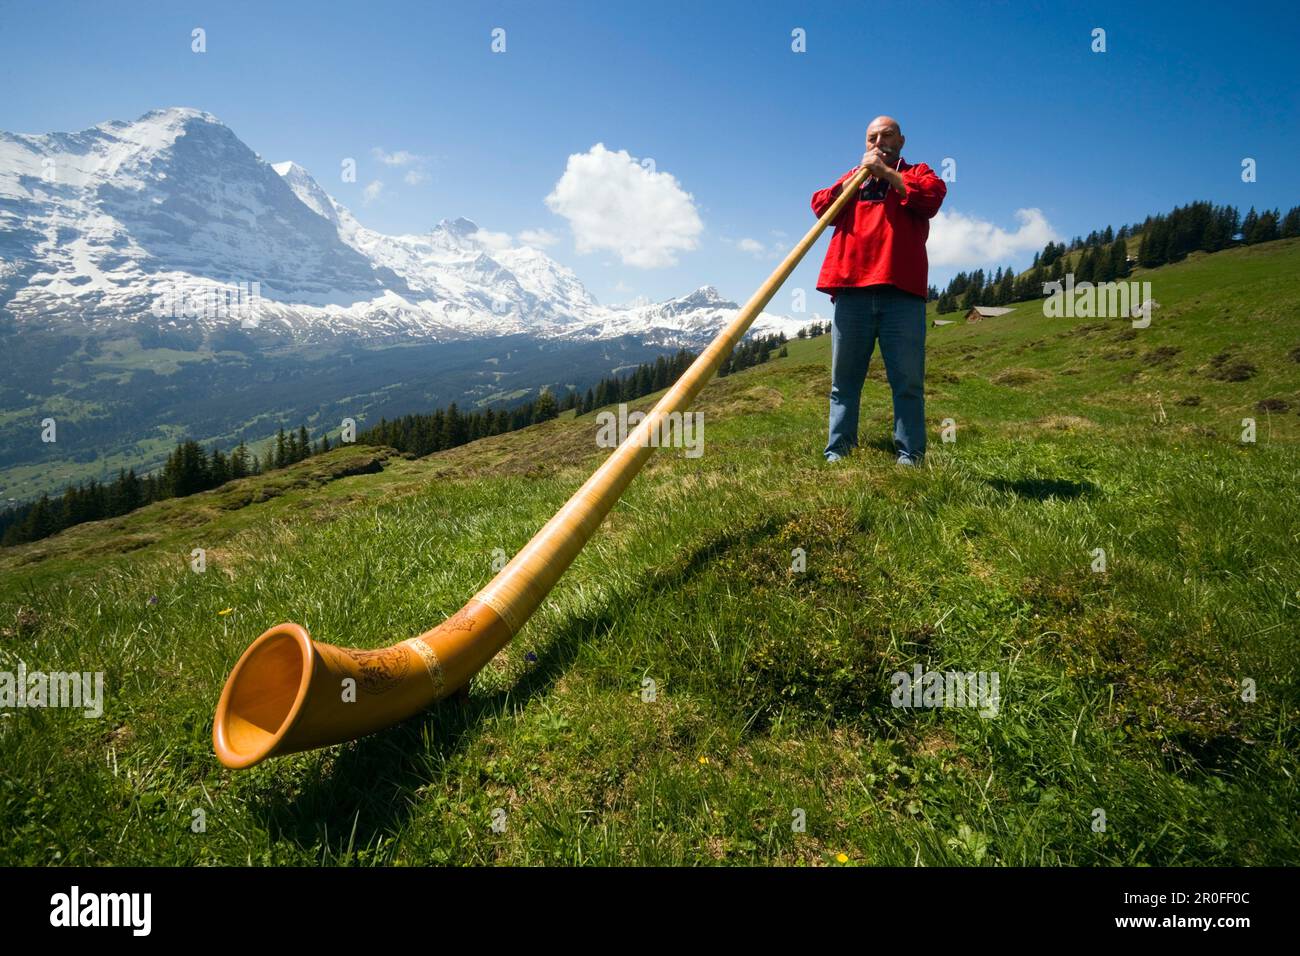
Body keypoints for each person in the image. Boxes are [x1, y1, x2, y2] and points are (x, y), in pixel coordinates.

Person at [811, 115, 947, 465]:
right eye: (871, 137)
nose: (878, 141)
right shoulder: (853, 178)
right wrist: (855, 180)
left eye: (887, 135)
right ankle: (838, 451)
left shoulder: (918, 174)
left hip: (901, 293)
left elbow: (931, 199)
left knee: (907, 381)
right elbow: (821, 208)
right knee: (844, 381)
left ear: (901, 141)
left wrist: (886, 174)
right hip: (851, 289)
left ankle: (910, 455)